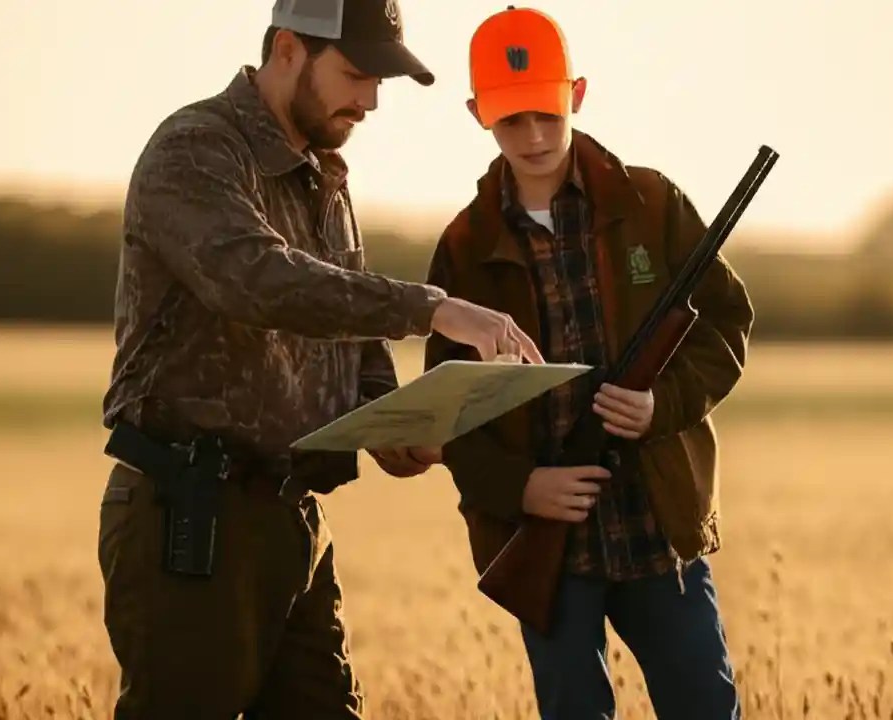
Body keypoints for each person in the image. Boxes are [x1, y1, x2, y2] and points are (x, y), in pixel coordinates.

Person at [95, 0, 543, 717]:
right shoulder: (194, 150)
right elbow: (261, 281)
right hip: (189, 517)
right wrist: (431, 307)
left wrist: (388, 423)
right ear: (286, 50)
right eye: (356, 73)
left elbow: (343, 329)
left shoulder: (326, 174)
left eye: (380, 82)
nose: (369, 100)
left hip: (291, 520)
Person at [423, 6, 755, 718]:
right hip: (552, 551)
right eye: (512, 120)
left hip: (657, 532)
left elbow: (725, 326)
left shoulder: (651, 203)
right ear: (478, 112)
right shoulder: (463, 246)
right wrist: (523, 490)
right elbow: (449, 415)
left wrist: (659, 407)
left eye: (546, 112)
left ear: (576, 94)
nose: (535, 136)